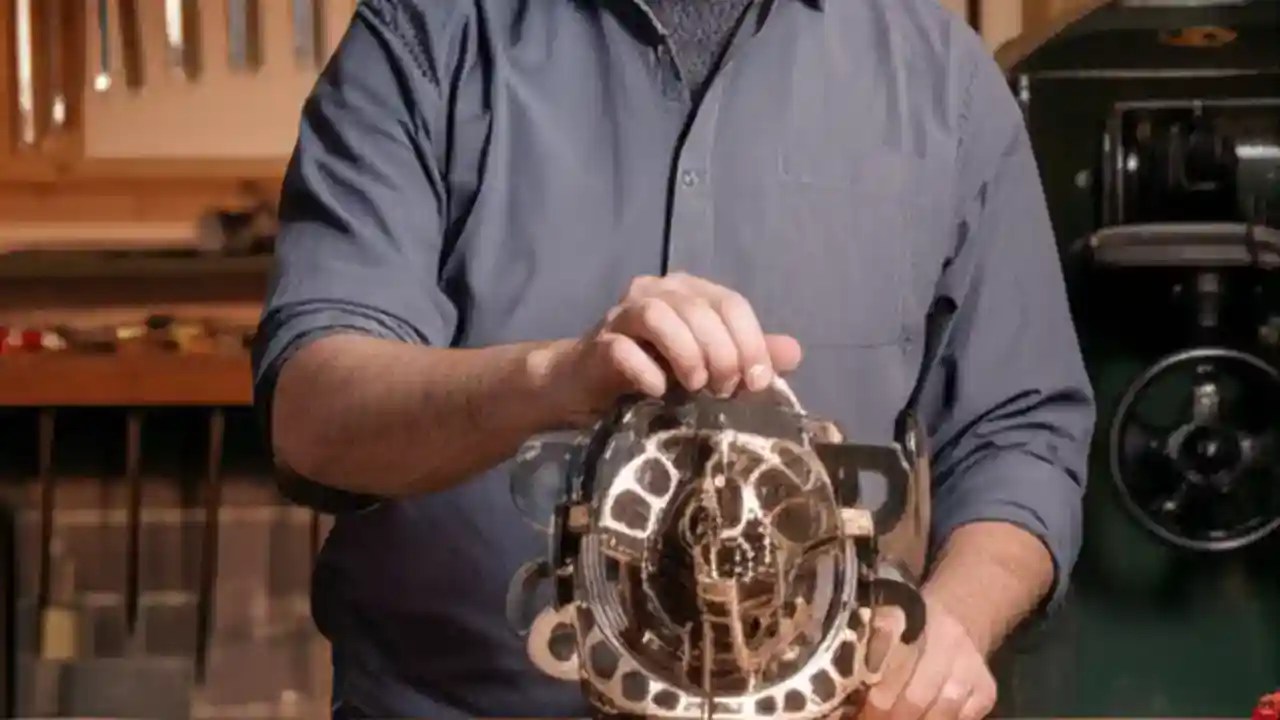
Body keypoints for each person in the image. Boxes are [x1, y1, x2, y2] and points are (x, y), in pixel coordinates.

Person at [252, 0, 1096, 718]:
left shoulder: (939, 77)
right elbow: (314, 415)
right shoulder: (426, 35)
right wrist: (551, 380)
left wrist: (955, 619)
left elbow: (1021, 433)